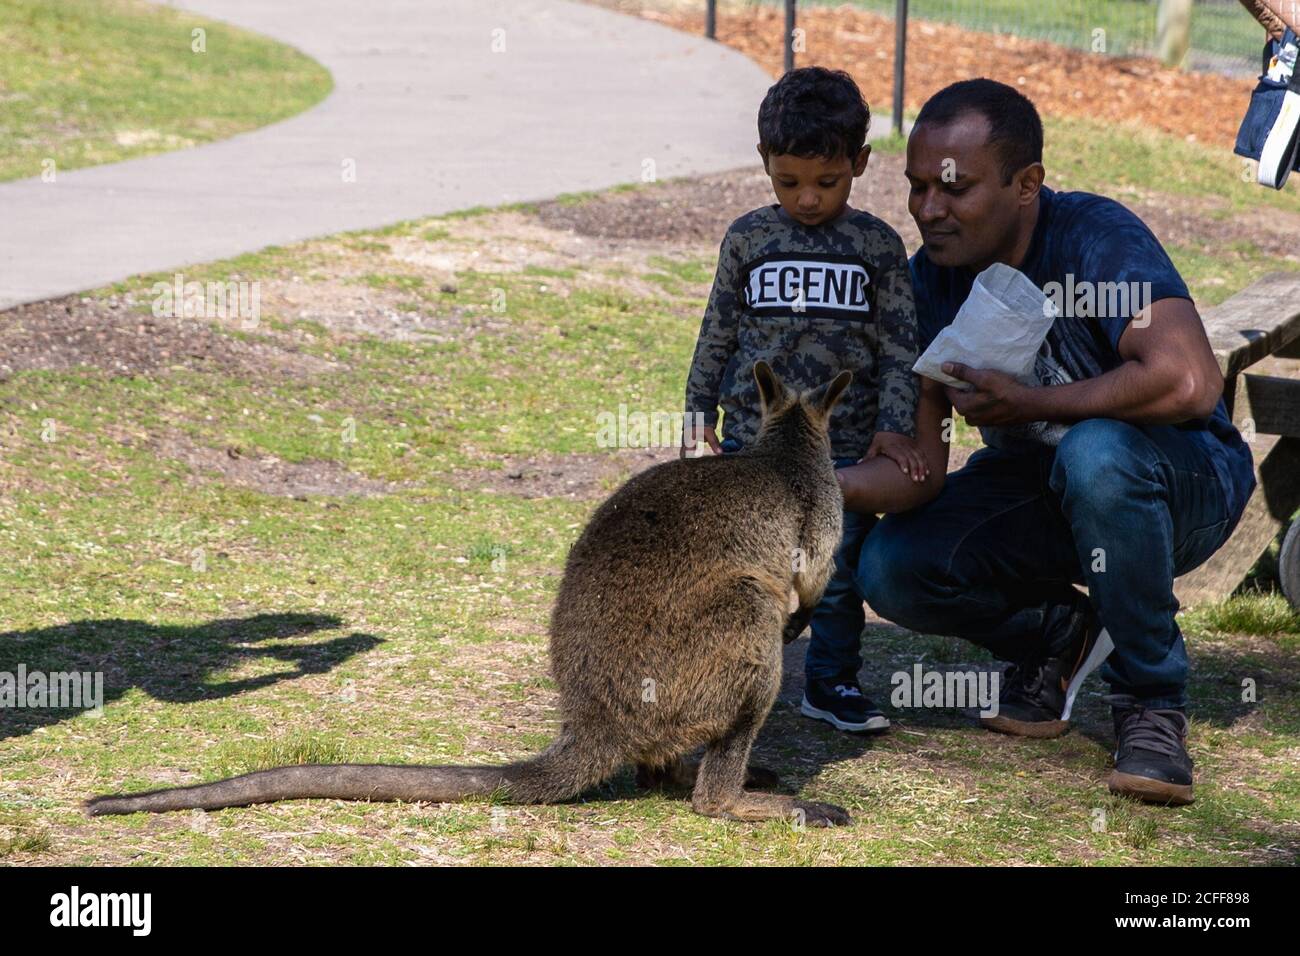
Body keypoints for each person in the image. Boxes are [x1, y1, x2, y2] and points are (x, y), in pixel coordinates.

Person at [846, 79, 1255, 805]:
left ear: (1026, 183)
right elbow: (922, 473)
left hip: (1179, 482)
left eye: (953, 189)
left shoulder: (1094, 238)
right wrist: (807, 480)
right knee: (893, 566)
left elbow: (1190, 380)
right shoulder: (927, 282)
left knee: (1094, 453)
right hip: (1043, 494)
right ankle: (1057, 632)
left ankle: (1152, 703)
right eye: (915, 189)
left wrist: (1032, 403)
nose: (928, 211)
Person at [680, 66, 936, 734]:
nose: (809, 199)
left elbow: (898, 347)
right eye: (788, 182)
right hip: (752, 447)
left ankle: (831, 682)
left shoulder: (878, 247)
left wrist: (894, 427)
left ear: (859, 162)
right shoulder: (748, 239)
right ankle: (732, 685)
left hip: (842, 452)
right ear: (765, 162)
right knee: (744, 569)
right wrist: (696, 409)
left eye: (828, 182)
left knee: (837, 572)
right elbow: (719, 329)